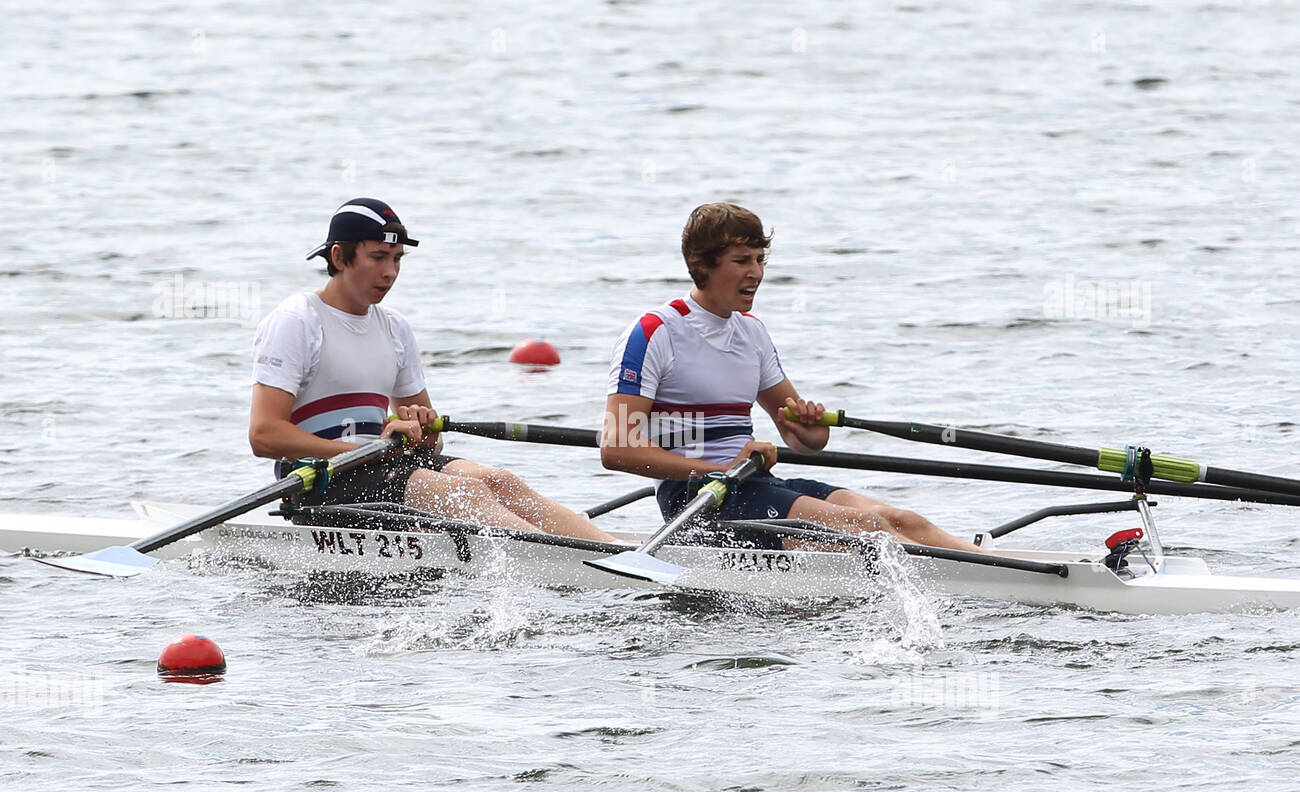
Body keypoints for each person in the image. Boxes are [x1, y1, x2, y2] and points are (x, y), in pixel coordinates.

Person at [600, 201, 981, 552]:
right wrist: (722, 469)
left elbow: (805, 440)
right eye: (742, 261)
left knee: (901, 521)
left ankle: (995, 568)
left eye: (760, 259)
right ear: (703, 265)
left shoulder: (751, 333)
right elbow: (617, 449)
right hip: (696, 499)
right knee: (866, 525)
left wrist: (809, 426)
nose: (756, 273)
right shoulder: (653, 333)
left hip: (751, 484)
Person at [250, 197, 614, 542]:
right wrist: (357, 449)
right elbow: (264, 436)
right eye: (378, 257)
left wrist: (421, 433)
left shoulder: (394, 328)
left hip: (380, 467)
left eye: (397, 259)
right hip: (320, 481)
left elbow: (431, 439)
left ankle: (622, 557)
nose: (390, 272)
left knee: (500, 481)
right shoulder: (297, 320)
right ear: (339, 257)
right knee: (464, 491)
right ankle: (562, 560)